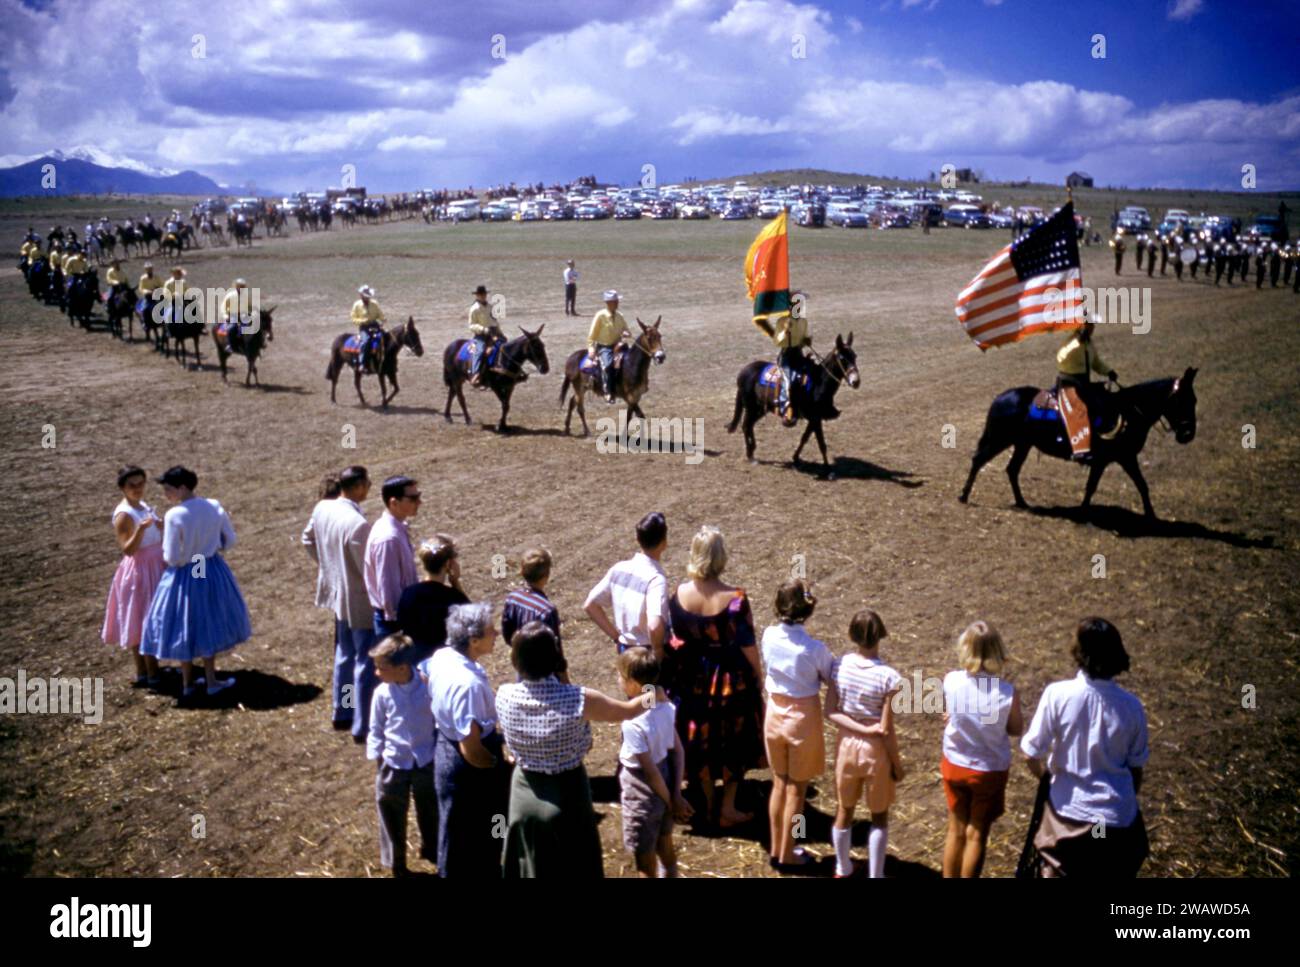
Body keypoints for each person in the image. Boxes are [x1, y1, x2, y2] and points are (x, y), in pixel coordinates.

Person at [495, 621, 645, 878]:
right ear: (555, 658)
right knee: (575, 861)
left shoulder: (505, 695)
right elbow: (629, 711)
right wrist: (654, 693)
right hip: (568, 790)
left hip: (524, 790)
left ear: (516, 660)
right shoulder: (579, 699)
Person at [1021, 618, 1150, 878]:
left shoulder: (1057, 694)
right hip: (1117, 821)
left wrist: (1047, 779)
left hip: (1068, 819)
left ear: (1079, 652)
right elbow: (1136, 770)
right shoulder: (1132, 706)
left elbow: (1030, 752)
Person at [664, 525, 763, 828]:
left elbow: (674, 637)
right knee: (734, 739)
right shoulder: (735, 598)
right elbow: (747, 644)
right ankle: (728, 807)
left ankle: (706, 804)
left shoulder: (678, 595)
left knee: (700, 739)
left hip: (692, 676)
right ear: (721, 557)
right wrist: (758, 677)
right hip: (730, 679)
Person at [140, 466, 251, 699]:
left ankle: (188, 682)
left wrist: (187, 555)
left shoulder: (175, 515)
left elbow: (171, 556)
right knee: (207, 618)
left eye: (168, 489)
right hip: (208, 566)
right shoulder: (213, 506)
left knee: (185, 621)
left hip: (186, 570)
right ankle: (211, 679)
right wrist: (206, 547)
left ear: (182, 488)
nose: (165, 494)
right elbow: (229, 541)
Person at [425, 601, 510, 878]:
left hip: (444, 746)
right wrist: (498, 764)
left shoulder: (441, 656)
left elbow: (423, 673)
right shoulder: (468, 685)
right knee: (476, 830)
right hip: (469, 765)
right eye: (490, 631)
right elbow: (471, 749)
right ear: (474, 641)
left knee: (454, 826)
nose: (496, 634)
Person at [941, 621, 1023, 878]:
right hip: (988, 770)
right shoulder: (1006, 692)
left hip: (955, 763)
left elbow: (956, 713)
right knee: (976, 835)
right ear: (998, 652)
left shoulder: (952, 681)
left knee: (955, 830)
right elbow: (1015, 729)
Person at [826, 609, 904, 879]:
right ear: (881, 634)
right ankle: (876, 874)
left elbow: (831, 711)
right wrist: (897, 764)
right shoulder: (890, 678)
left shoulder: (838, 666)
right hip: (875, 752)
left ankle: (841, 867)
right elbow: (886, 729)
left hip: (846, 745)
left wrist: (857, 727)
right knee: (879, 815)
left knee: (844, 809)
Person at [762, 579, 833, 872]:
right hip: (801, 721)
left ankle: (778, 848)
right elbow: (831, 676)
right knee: (797, 792)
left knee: (779, 784)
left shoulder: (768, 635)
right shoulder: (814, 648)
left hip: (774, 715)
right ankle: (789, 851)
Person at [302, 465, 375, 738]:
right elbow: (368, 571)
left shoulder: (322, 508)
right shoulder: (358, 525)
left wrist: (329, 567)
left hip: (336, 594)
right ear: (357, 487)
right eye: (367, 484)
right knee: (365, 659)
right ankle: (362, 722)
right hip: (357, 600)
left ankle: (342, 710)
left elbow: (307, 539)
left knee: (343, 654)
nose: (369, 488)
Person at [617, 647, 693, 877]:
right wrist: (676, 793)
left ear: (631, 683)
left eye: (620, 676)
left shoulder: (631, 724)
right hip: (668, 781)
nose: (617, 680)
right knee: (665, 845)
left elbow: (649, 773)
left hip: (643, 795)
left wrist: (671, 802)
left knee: (645, 862)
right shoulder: (666, 707)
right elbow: (678, 750)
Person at [367, 634, 438, 876]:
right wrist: (378, 758)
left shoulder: (427, 687)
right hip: (394, 761)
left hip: (424, 759)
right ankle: (396, 862)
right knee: (391, 809)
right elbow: (376, 728)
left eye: (381, 668)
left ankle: (433, 848)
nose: (376, 673)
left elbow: (438, 719)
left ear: (402, 667)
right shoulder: (382, 694)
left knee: (429, 807)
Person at [101, 466, 166, 686]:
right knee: (143, 620)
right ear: (122, 488)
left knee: (150, 617)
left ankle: (148, 670)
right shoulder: (124, 514)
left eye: (141, 484)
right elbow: (127, 549)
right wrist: (139, 530)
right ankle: (149, 672)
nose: (138, 489)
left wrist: (161, 526)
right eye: (132, 485)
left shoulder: (143, 506)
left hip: (155, 565)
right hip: (140, 569)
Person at [583, 511, 669, 659]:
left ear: (637, 538)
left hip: (625, 653)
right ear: (664, 543)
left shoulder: (618, 569)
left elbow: (590, 605)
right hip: (646, 655)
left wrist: (617, 637)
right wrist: (658, 652)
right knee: (650, 684)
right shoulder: (656, 580)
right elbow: (654, 626)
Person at [364, 476, 420, 647]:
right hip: (395, 623)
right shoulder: (388, 538)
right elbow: (388, 588)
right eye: (413, 498)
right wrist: (400, 629)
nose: (419, 502)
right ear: (394, 502)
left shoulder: (396, 528)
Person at [396, 534, 468, 663]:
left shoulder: (408, 594)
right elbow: (472, 622)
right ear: (448, 564)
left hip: (417, 663)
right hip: (447, 664)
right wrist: (455, 582)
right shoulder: (453, 598)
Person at [1055, 317, 1117, 463]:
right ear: (1082, 325)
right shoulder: (1071, 341)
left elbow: (1095, 362)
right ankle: (1079, 448)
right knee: (1078, 410)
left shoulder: (1089, 343)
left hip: (1084, 384)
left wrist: (1109, 371)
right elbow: (1061, 356)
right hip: (1069, 384)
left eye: (1093, 325)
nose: (1092, 327)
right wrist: (1077, 342)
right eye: (1090, 325)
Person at [500, 547, 566, 681]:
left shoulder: (513, 598)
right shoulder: (547, 610)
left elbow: (507, 634)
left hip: (522, 666)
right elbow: (555, 650)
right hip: (545, 673)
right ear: (546, 576)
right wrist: (564, 677)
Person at [587, 290, 631, 403]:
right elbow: (592, 336)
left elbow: (626, 330)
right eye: (615, 301)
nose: (617, 303)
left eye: (617, 301)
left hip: (618, 345)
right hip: (604, 347)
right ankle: (608, 391)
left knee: (631, 360)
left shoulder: (620, 316)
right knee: (608, 365)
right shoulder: (600, 316)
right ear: (608, 303)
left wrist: (626, 333)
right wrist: (591, 349)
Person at [467, 284, 505, 386]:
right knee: (479, 351)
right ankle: (476, 373)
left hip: (493, 333)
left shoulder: (490, 307)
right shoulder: (474, 309)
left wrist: (500, 333)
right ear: (477, 296)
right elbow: (471, 325)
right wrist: (483, 329)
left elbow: (495, 321)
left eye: (484, 294)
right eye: (480, 294)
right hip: (481, 335)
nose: (483, 296)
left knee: (505, 347)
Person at [350, 285, 386, 372]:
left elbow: (380, 315)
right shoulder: (357, 305)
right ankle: (362, 363)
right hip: (364, 327)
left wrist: (383, 320)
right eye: (365, 296)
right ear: (361, 295)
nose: (367, 298)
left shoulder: (374, 304)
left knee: (386, 337)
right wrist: (362, 321)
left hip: (375, 325)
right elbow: (353, 318)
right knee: (366, 341)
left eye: (368, 297)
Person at [221, 278, 253, 354]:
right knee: (232, 328)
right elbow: (223, 306)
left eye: (243, 286)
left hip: (244, 314)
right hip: (233, 315)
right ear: (236, 287)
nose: (242, 288)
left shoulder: (246, 295)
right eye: (240, 286)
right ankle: (229, 345)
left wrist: (251, 312)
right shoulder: (230, 295)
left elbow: (250, 306)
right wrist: (225, 315)